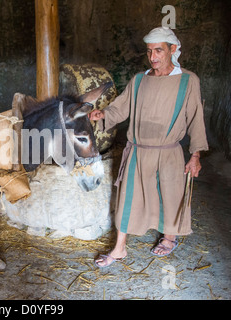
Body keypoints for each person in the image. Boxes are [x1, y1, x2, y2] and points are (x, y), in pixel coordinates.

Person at [90, 27, 208, 267]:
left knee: (170, 195)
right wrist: (103, 114)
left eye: (158, 50)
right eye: (149, 51)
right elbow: (120, 108)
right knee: (127, 197)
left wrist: (195, 155)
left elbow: (196, 117)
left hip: (168, 151)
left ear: (173, 50)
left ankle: (169, 237)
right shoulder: (139, 80)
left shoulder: (188, 81)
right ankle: (119, 248)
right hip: (138, 150)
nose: (153, 56)